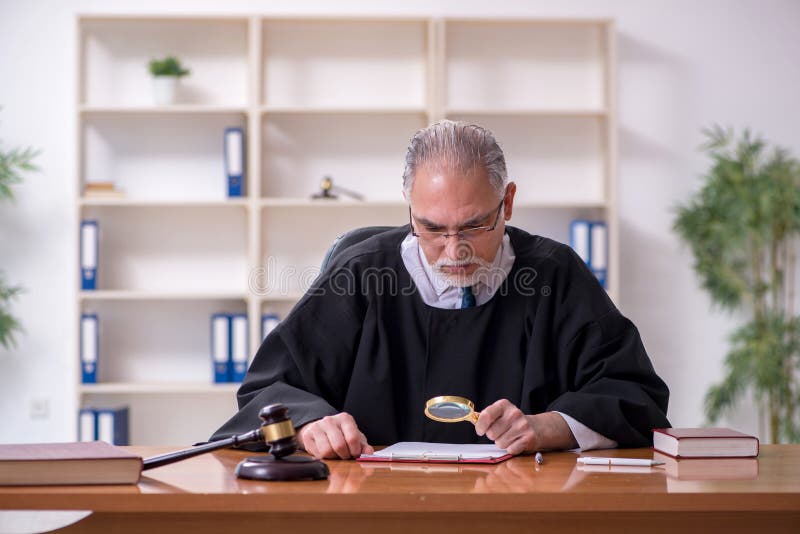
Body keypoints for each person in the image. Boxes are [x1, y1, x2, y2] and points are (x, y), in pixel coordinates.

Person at [211, 120, 670, 459]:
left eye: (474, 226)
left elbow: (635, 394)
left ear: (507, 202)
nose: (454, 252)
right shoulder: (361, 274)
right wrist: (313, 422)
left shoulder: (554, 275)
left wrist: (548, 427)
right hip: (372, 509)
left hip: (521, 510)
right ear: (410, 209)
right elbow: (266, 390)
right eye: (431, 229)